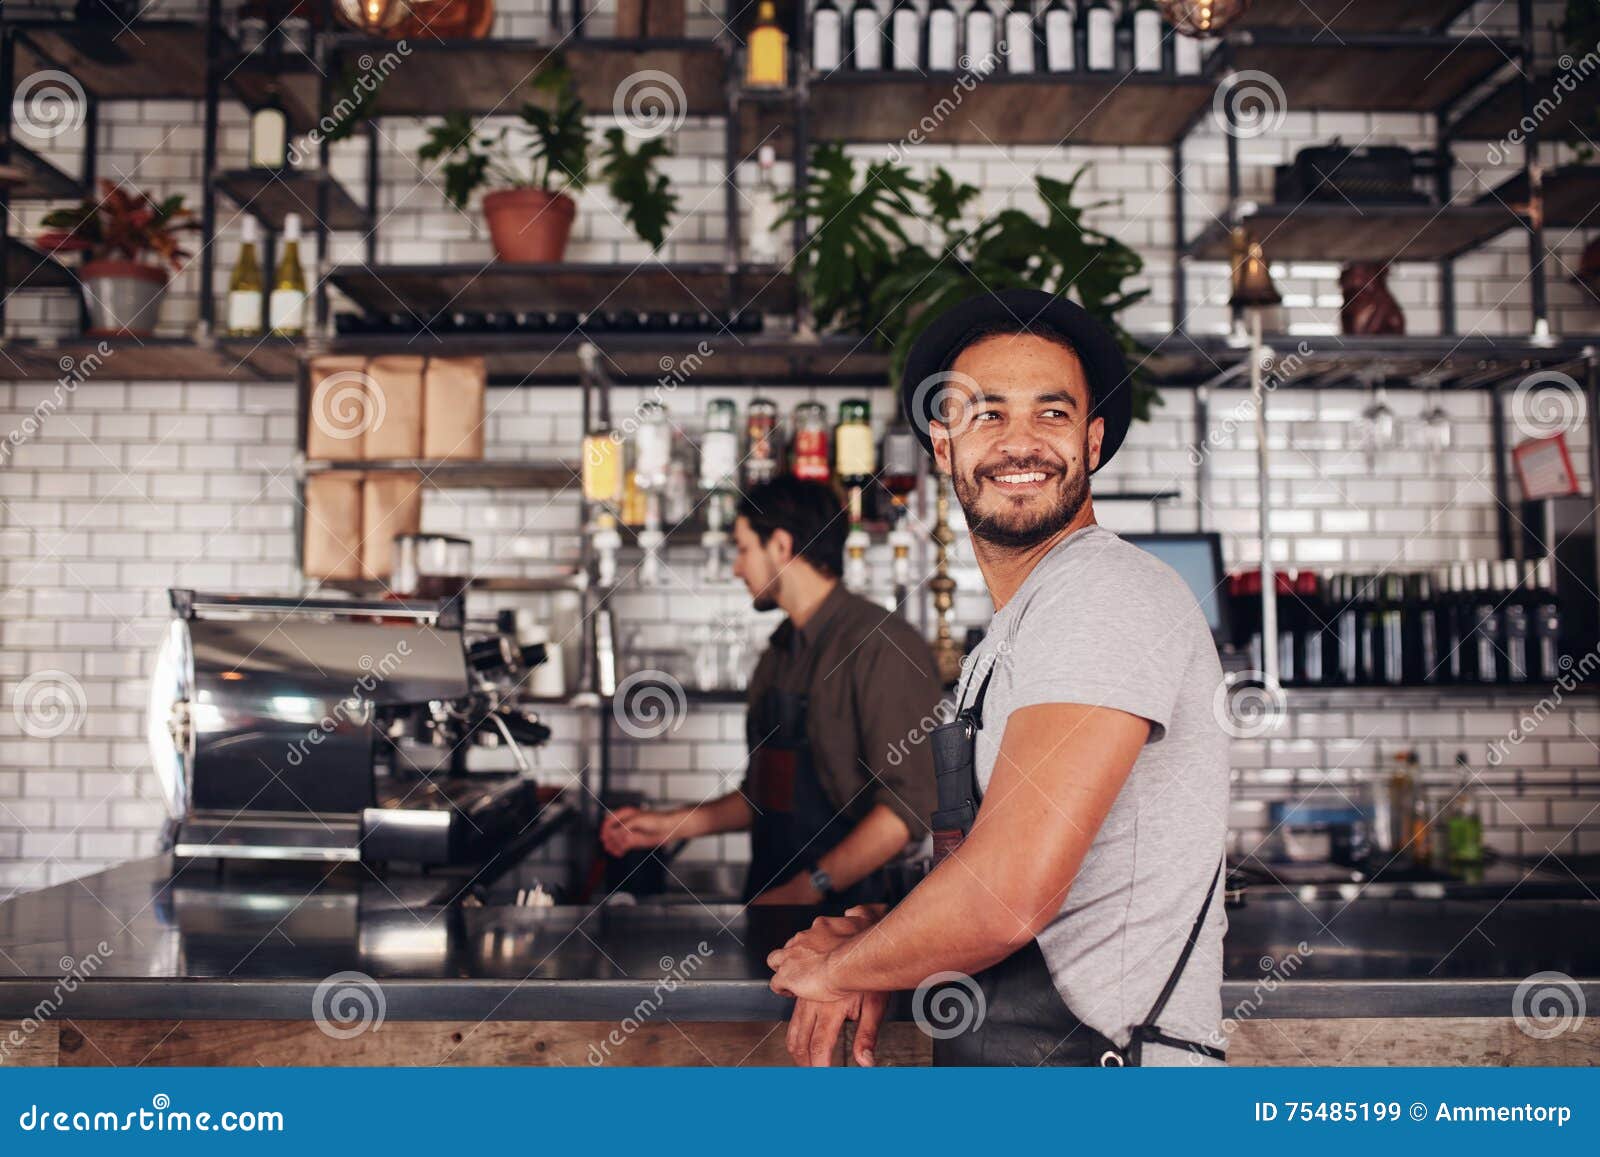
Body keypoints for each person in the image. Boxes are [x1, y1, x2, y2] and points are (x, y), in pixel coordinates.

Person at [767, 289, 1231, 1066]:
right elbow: (987, 868)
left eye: (1051, 414)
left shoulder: (1102, 591)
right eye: (987, 414)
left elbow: (1010, 891)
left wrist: (839, 968)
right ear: (943, 446)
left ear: (1092, 439)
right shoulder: (1015, 630)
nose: (1022, 442)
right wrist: (885, 934)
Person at [601, 476, 943, 908]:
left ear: (780, 546)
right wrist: (669, 825)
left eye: (743, 549)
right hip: (774, 904)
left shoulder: (882, 645)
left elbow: (906, 810)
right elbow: (765, 796)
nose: (737, 567)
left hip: (855, 918)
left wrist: (807, 888)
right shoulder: (780, 652)